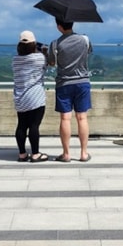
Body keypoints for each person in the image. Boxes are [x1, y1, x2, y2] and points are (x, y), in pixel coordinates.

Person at [47, 18, 93, 162]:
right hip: (82, 82)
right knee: (82, 117)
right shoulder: (85, 39)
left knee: (65, 118)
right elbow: (89, 52)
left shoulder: (55, 43)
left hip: (64, 83)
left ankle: (66, 154)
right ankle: (84, 153)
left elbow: (52, 63)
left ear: (59, 26)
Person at [12, 30, 49, 162]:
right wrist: (43, 51)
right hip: (35, 97)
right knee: (34, 126)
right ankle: (35, 154)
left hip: (20, 97)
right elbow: (46, 65)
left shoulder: (15, 60)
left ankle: (22, 154)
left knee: (21, 125)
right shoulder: (39, 58)